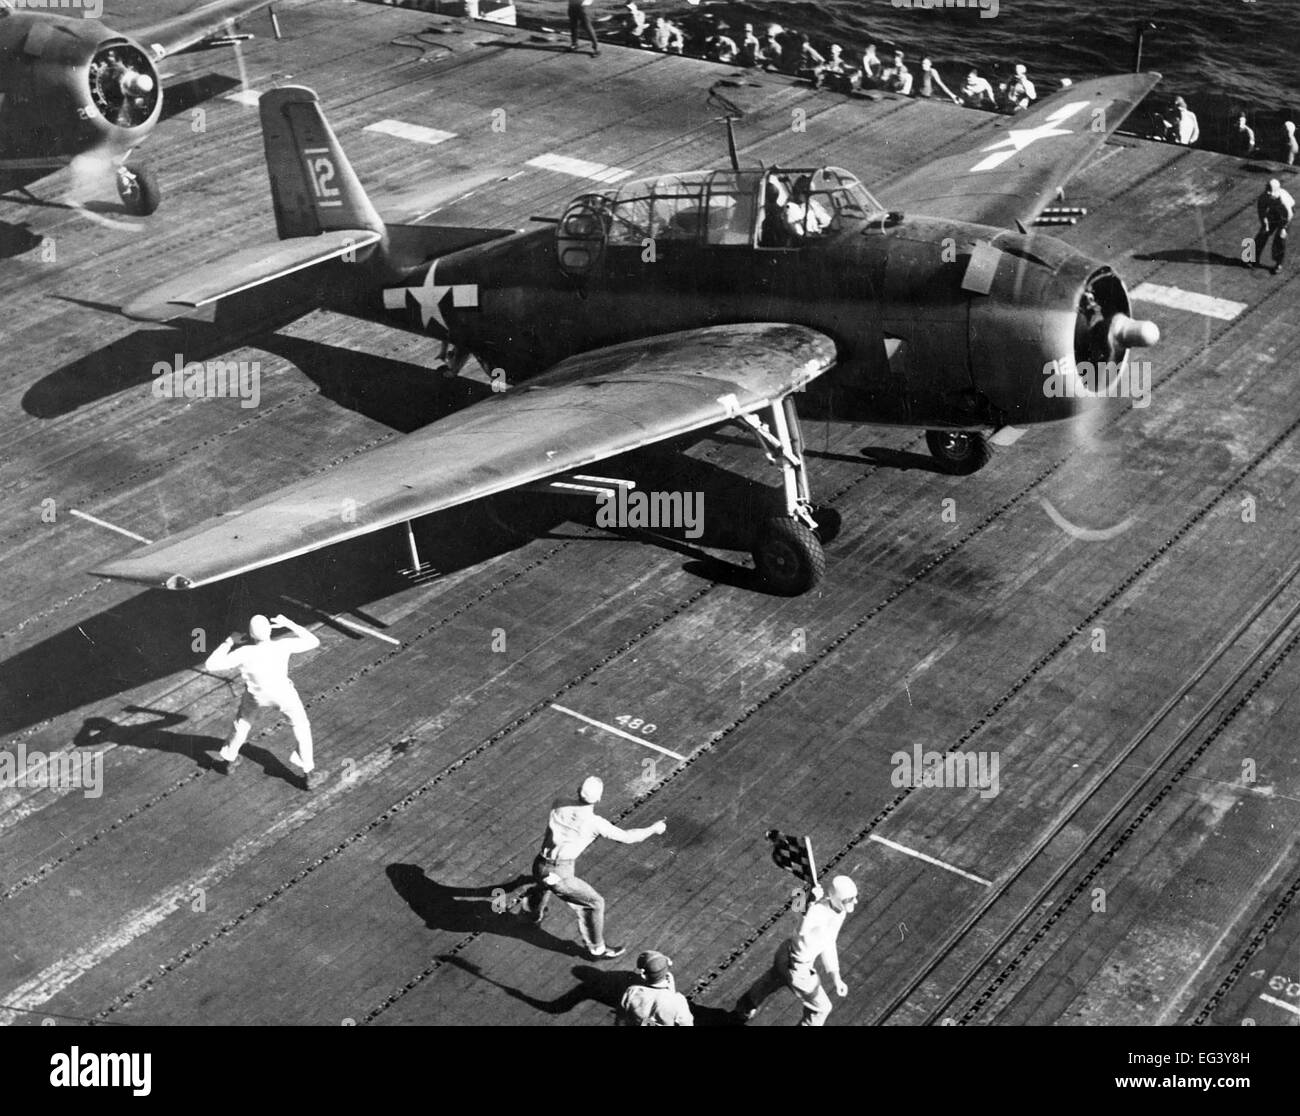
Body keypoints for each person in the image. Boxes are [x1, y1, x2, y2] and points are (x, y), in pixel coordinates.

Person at [523, 776, 667, 960]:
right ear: (599, 799)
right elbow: (629, 837)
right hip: (561, 872)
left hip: (540, 863)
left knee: (543, 883)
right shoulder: (595, 823)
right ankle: (597, 949)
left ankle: (530, 915)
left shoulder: (559, 803)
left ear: (577, 790)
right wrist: (654, 829)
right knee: (595, 903)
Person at [205, 613, 325, 789]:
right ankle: (309, 774)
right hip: (284, 695)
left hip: (256, 696)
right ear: (270, 630)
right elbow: (313, 641)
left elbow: (210, 664)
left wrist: (229, 641)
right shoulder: (282, 645)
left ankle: (229, 760)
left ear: (251, 634)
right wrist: (289, 622)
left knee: (242, 724)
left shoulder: (244, 652)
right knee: (301, 727)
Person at [733, 875, 859, 1026]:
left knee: (772, 979)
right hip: (798, 969)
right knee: (822, 1009)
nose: (855, 901)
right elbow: (801, 929)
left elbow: (829, 943)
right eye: (849, 899)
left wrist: (836, 977)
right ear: (838, 899)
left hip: (786, 953)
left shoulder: (839, 912)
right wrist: (809, 905)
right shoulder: (817, 910)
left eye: (854, 897)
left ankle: (743, 1009)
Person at [616, 950, 694, 1026]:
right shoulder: (678, 1001)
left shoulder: (632, 991)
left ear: (643, 975)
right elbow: (686, 1023)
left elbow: (621, 1016)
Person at [1250, 178, 1294, 275]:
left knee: (1280, 239)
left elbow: (1289, 215)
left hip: (1285, 216)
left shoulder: (1283, 200)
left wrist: (1283, 228)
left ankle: (1279, 264)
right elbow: (1262, 212)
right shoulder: (1263, 197)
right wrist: (1265, 225)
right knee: (1262, 234)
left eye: (1271, 191)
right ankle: (1254, 258)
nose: (1268, 193)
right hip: (1273, 212)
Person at [782, 175, 832, 239]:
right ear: (801, 192)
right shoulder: (790, 208)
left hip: (818, 236)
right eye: (809, 194)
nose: (810, 197)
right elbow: (800, 235)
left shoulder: (811, 203)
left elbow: (826, 219)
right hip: (808, 244)